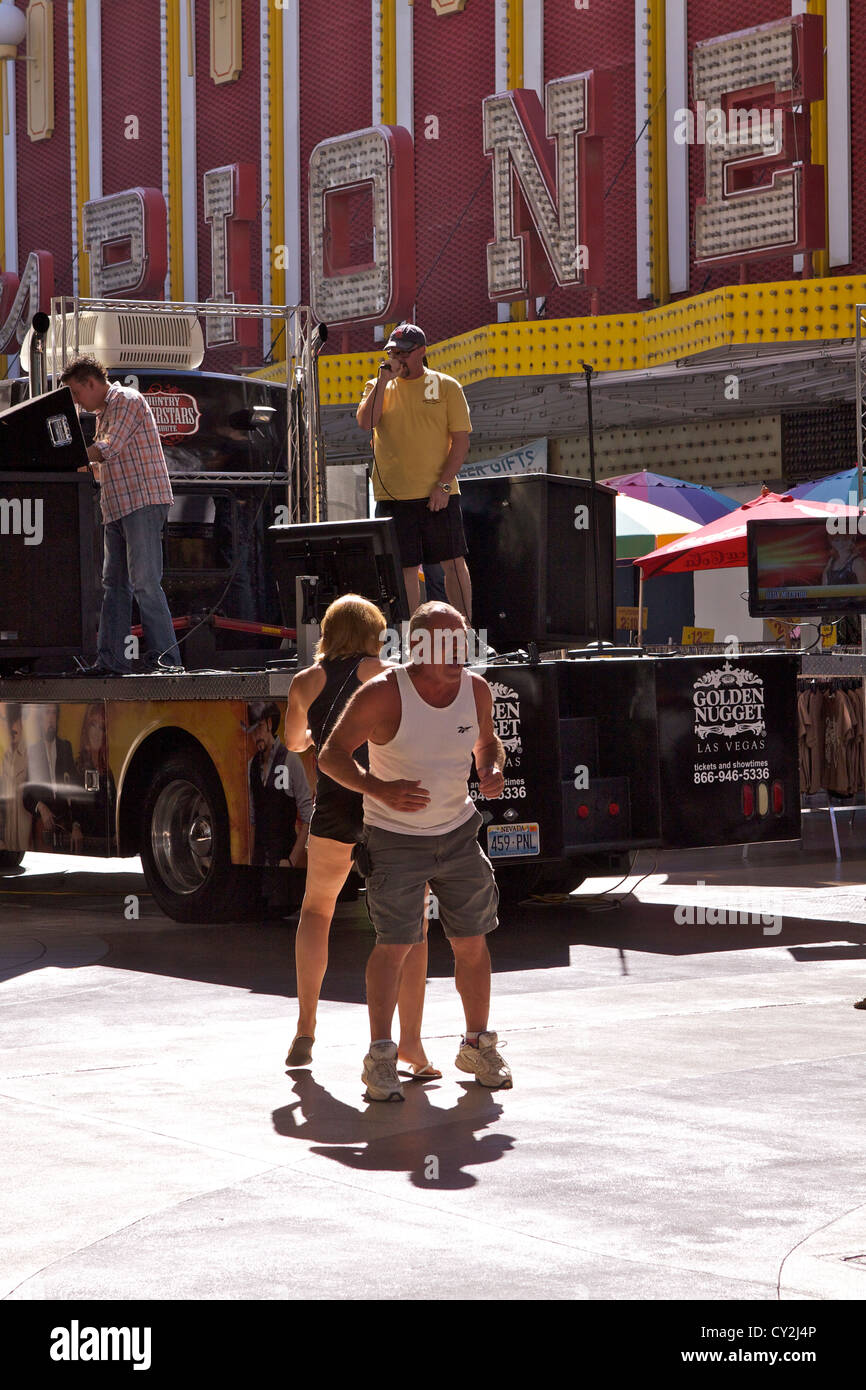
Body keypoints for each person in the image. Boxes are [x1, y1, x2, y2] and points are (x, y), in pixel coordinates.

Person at [319, 601, 512, 1102]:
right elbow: (330, 756)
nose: (458, 652)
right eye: (446, 643)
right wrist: (379, 790)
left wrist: (490, 768)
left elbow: (488, 745)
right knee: (395, 945)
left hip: (458, 832)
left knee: (472, 942)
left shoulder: (477, 690)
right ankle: (381, 1056)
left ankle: (476, 1045)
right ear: (420, 647)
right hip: (394, 838)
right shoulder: (384, 694)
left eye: (463, 640)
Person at [283, 594, 438, 1078]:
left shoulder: (306, 681)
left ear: (327, 632)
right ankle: (410, 1044)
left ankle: (307, 1025)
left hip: (334, 802)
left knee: (317, 909)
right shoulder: (386, 673)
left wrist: (313, 739)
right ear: (376, 633)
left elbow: (292, 742)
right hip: (385, 802)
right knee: (413, 924)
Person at [60, 354, 183, 675]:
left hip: (141, 502)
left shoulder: (127, 399)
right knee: (115, 586)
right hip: (118, 506)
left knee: (144, 583)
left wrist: (65, 458)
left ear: (91, 382)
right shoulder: (104, 412)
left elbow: (109, 448)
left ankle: (167, 661)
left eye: (75, 392)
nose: (75, 401)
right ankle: (111, 661)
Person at [356, 322, 473, 620]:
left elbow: (461, 441)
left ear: (421, 352)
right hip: (393, 495)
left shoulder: (446, 386)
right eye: (392, 352)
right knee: (403, 567)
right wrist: (383, 382)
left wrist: (444, 485)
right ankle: (410, 637)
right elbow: (366, 422)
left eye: (403, 353)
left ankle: (464, 631)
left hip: (438, 492)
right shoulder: (377, 386)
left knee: (453, 562)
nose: (397, 359)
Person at [245, 701, 312, 913]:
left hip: (283, 860)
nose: (256, 737)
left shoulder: (290, 760)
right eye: (252, 732)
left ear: (269, 724)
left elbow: (308, 815)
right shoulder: (252, 766)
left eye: (259, 729)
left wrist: (291, 861)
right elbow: (253, 818)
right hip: (262, 865)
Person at [23, 703, 77, 851]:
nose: (50, 719)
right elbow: (26, 796)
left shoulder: (66, 747)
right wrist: (41, 807)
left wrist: (76, 824)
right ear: (40, 719)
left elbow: (75, 788)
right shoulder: (33, 751)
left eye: (53, 714)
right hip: (42, 827)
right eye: (47, 713)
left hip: (64, 824)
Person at [70, 703, 117, 855]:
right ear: (86, 729)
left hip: (108, 844)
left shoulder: (107, 769)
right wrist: (75, 827)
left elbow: (113, 804)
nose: (97, 732)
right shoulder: (78, 767)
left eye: (101, 728)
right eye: (93, 725)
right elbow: (75, 807)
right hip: (88, 846)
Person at [0, 703, 30, 854]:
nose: (12, 727)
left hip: (26, 834)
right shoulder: (6, 758)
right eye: (9, 721)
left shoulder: (31, 755)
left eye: (16, 720)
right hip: (9, 835)